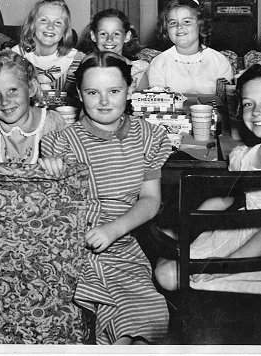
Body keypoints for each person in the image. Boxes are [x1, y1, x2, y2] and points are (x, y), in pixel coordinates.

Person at [154, 65, 261, 295]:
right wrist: (191, 224)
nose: (256, 111)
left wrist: (228, 267)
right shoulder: (245, 156)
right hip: (244, 233)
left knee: (185, 278)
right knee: (165, 272)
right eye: (248, 104)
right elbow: (238, 201)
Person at [39, 52, 171, 345]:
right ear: (78, 94)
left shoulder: (148, 136)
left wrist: (114, 230)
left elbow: (150, 200)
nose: (103, 101)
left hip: (123, 244)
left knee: (148, 313)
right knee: (112, 310)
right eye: (92, 92)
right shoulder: (62, 141)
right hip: (73, 248)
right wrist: (48, 172)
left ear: (130, 89)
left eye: (114, 91)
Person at [0, 50, 66, 172]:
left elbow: (62, 152)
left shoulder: (50, 122)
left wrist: (54, 161)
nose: (4, 101)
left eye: (12, 90)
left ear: (31, 88)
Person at [146, 0, 232, 94]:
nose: (179, 27)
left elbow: (226, 101)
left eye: (186, 22)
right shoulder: (159, 63)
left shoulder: (219, 61)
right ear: (166, 29)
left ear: (201, 25)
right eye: (173, 23)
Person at [11, 0, 85, 100]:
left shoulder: (77, 60)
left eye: (58, 22)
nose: (50, 26)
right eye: (44, 20)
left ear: (65, 30)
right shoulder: (15, 56)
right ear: (32, 24)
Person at [77, 8, 149, 90]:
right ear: (93, 36)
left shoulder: (138, 70)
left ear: (127, 36)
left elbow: (142, 100)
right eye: (103, 34)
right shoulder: (85, 67)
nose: (109, 39)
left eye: (116, 34)